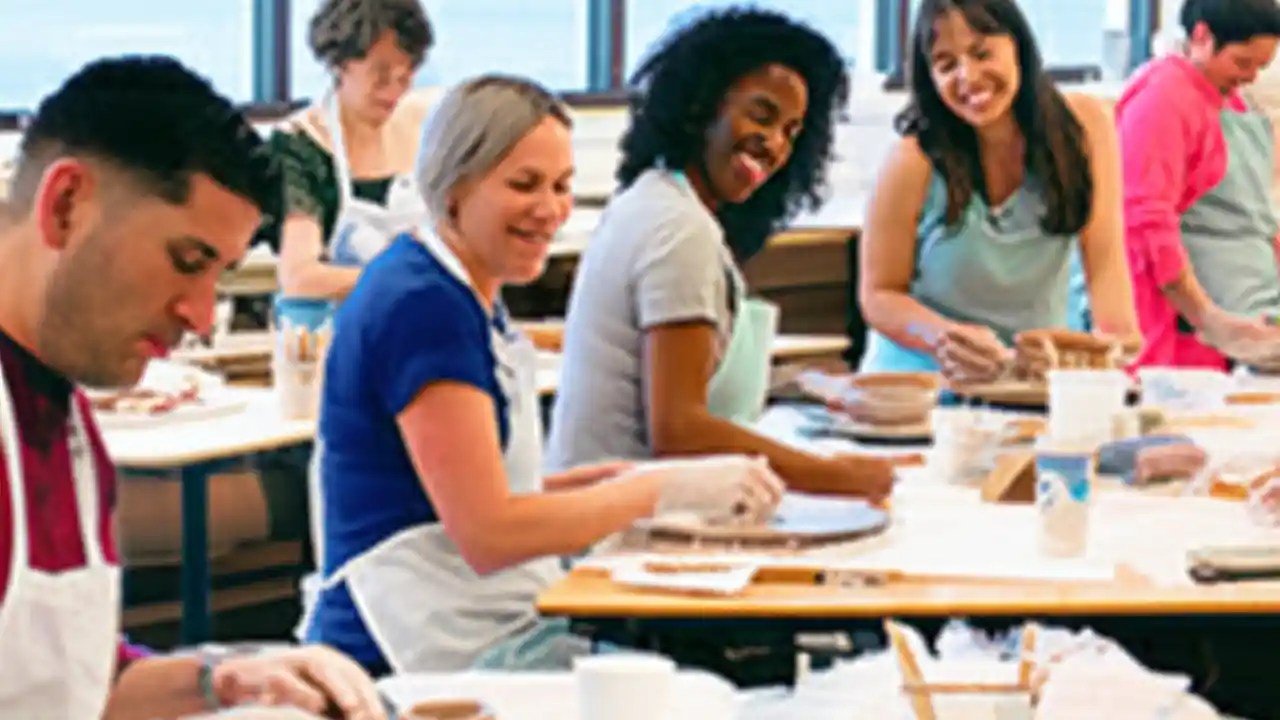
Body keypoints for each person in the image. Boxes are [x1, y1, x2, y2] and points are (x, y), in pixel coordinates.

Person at [303, 74, 785, 676]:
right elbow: (488, 532)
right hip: (411, 646)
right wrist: (659, 491)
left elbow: (474, 488)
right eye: (523, 184)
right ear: (454, 186)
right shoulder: (421, 304)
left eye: (562, 186)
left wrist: (632, 479)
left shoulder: (460, 287)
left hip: (464, 615)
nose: (551, 209)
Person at [0, 57, 385, 719]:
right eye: (186, 262)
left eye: (222, 276)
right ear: (66, 206)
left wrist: (228, 678)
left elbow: (76, 687)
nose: (202, 318)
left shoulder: (68, 428)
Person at [544, 8, 894, 499]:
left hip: (614, 511)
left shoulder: (656, 198)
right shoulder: (679, 230)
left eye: (792, 132)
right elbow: (680, 431)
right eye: (761, 115)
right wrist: (840, 478)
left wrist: (804, 382)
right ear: (700, 105)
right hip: (620, 531)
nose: (774, 144)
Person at [857, 0, 1140, 382]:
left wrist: (1114, 346)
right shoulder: (913, 161)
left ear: (1018, 45)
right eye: (945, 65)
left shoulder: (1085, 126)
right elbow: (879, 295)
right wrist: (944, 337)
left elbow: (1104, 258)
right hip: (920, 385)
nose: (968, 77)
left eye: (982, 52)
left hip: (1034, 382)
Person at [1118, 0, 1280, 369]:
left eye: (1262, 66)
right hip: (1180, 320)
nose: (1252, 77)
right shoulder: (1163, 97)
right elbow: (1146, 220)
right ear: (1202, 36)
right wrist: (1208, 319)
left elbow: (1256, 217)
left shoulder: (1235, 105)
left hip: (1246, 308)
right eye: (1242, 62)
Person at [263, 0, 435, 330]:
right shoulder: (303, 145)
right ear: (340, 63)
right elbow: (300, 276)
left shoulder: (425, 125)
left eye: (406, 73)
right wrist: (406, 282)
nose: (395, 89)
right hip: (336, 337)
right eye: (381, 74)